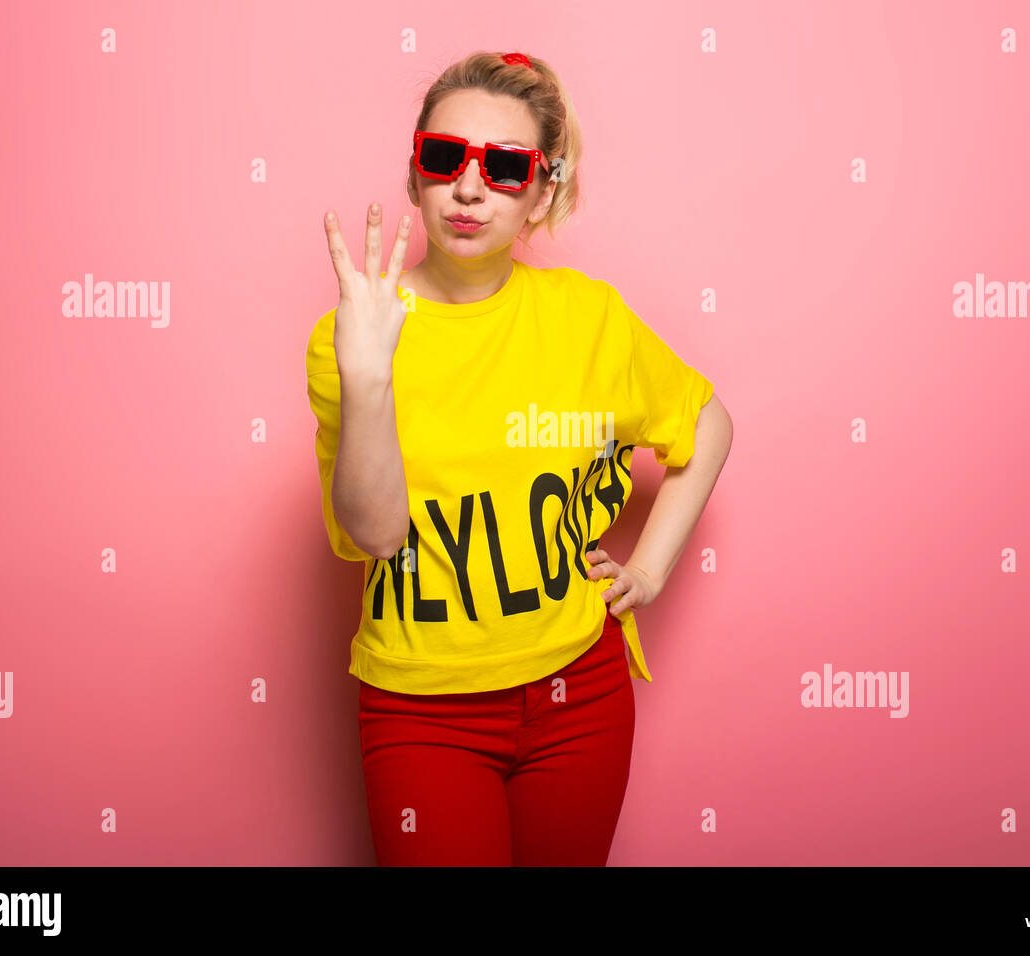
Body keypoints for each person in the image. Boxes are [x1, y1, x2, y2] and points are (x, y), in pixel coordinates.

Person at [305, 50, 733, 866]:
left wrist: (650, 571)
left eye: (505, 168)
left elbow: (706, 422)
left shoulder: (586, 316)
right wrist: (367, 377)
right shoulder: (352, 332)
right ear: (414, 177)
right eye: (444, 158)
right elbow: (375, 536)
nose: (469, 188)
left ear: (542, 193)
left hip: (582, 691)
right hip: (421, 706)